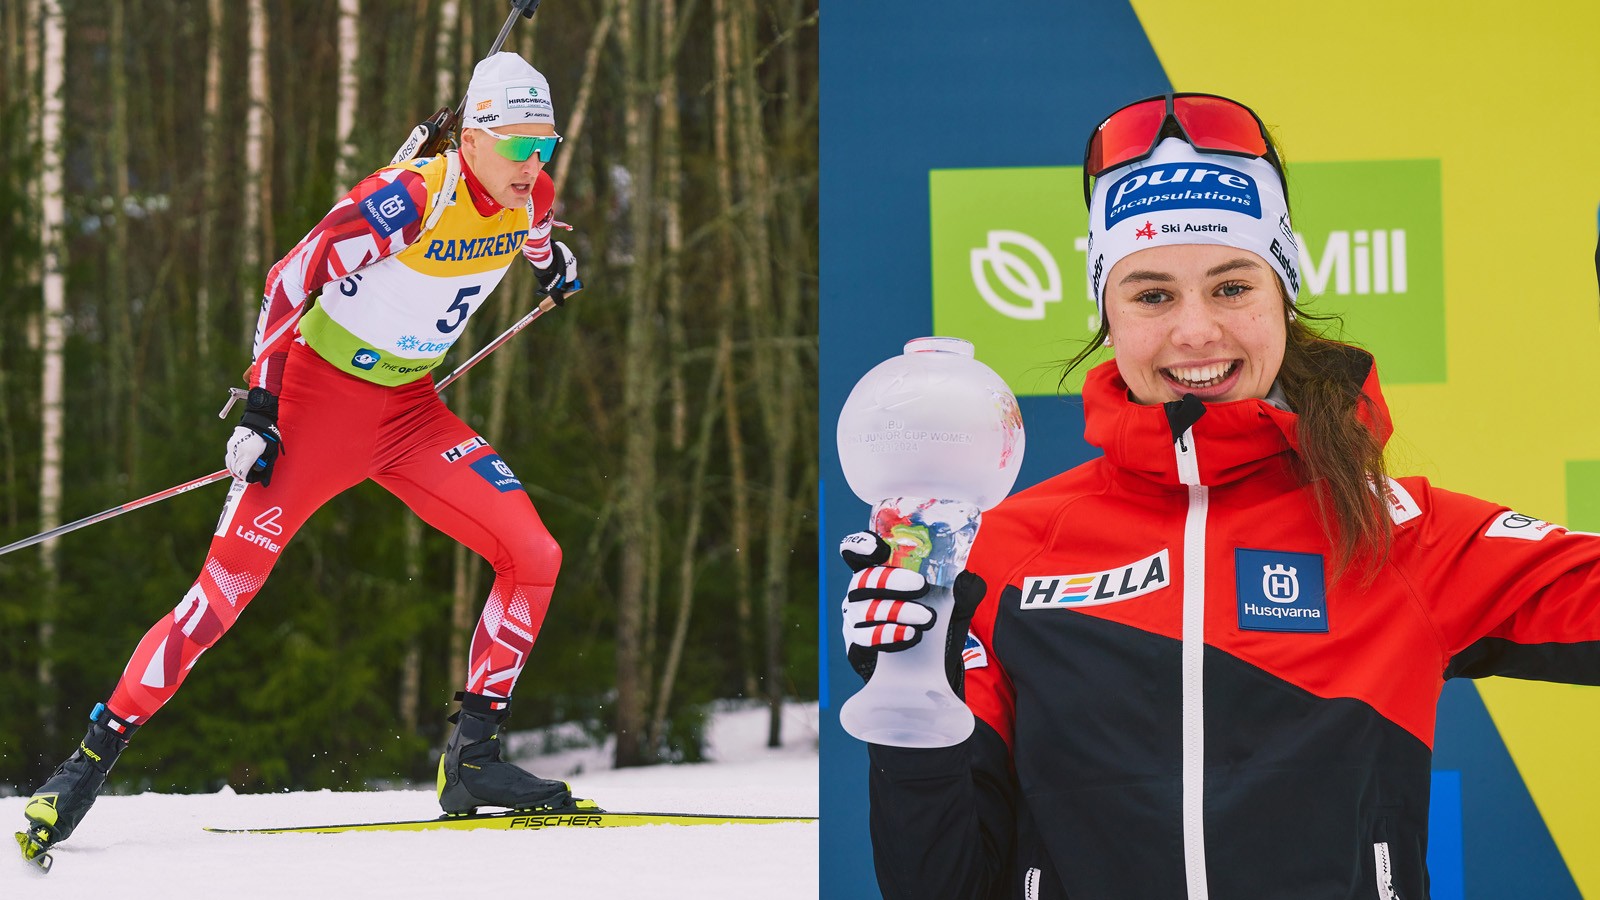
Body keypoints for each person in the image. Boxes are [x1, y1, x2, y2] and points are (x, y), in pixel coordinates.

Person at [839, 92, 1600, 899]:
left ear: (1283, 294)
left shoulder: (1402, 533)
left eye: (1233, 287)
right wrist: (916, 711)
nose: (1196, 331)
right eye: (1153, 294)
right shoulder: (1006, 551)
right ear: (1108, 310)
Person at [19, 52, 586, 857]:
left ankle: (474, 760)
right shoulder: (406, 201)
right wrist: (260, 403)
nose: (536, 165)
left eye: (548, 146)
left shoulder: (531, 195)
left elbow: (533, 240)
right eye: (521, 146)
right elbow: (288, 280)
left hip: (410, 413)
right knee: (219, 598)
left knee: (534, 553)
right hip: (317, 407)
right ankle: (85, 763)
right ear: (475, 137)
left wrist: (552, 268)